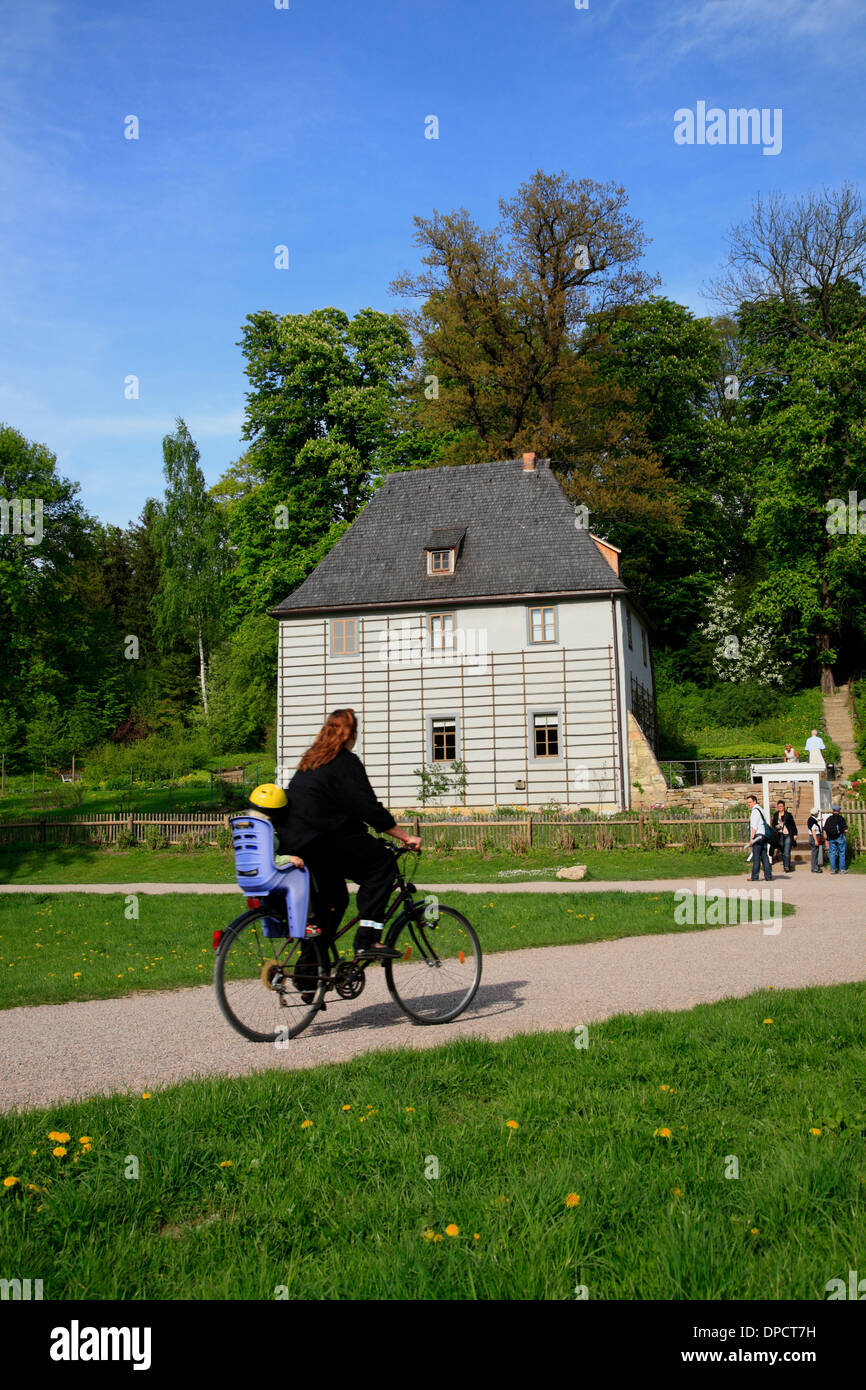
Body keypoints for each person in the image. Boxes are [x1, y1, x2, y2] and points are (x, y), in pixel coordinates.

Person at [284, 708, 421, 961]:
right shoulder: (344, 762)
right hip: (324, 839)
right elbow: (367, 807)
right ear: (352, 735)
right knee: (382, 865)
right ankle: (367, 941)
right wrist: (405, 837)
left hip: (297, 842)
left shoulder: (311, 760)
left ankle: (309, 972)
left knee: (334, 901)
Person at [746, 794, 774, 882]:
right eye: (748, 802)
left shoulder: (755, 811)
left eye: (750, 802)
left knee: (756, 857)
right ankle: (768, 876)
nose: (749, 804)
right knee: (764, 856)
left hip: (757, 836)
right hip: (764, 835)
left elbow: (754, 826)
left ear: (754, 801)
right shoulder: (761, 810)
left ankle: (754, 876)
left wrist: (752, 838)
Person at [771, 799, 797, 873]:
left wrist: (795, 834)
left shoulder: (788, 815)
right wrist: (776, 826)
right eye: (779, 806)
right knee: (782, 850)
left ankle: (786, 866)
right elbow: (773, 824)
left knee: (786, 851)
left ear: (784, 807)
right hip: (779, 835)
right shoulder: (776, 815)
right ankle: (786, 862)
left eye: (781, 806)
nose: (780, 807)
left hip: (787, 834)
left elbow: (793, 825)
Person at [822, 803, 849, 874]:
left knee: (832, 853)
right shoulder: (841, 818)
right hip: (840, 837)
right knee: (842, 852)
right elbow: (846, 830)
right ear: (839, 810)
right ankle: (842, 869)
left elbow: (825, 828)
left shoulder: (829, 819)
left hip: (831, 838)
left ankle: (833, 869)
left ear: (833, 810)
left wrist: (826, 836)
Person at [806, 806, 824, 874]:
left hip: (812, 837)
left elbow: (815, 820)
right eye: (817, 813)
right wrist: (816, 840)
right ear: (816, 813)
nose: (818, 814)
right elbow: (813, 830)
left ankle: (814, 867)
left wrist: (819, 819)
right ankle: (814, 868)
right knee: (815, 854)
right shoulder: (813, 821)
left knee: (815, 853)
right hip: (814, 837)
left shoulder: (811, 819)